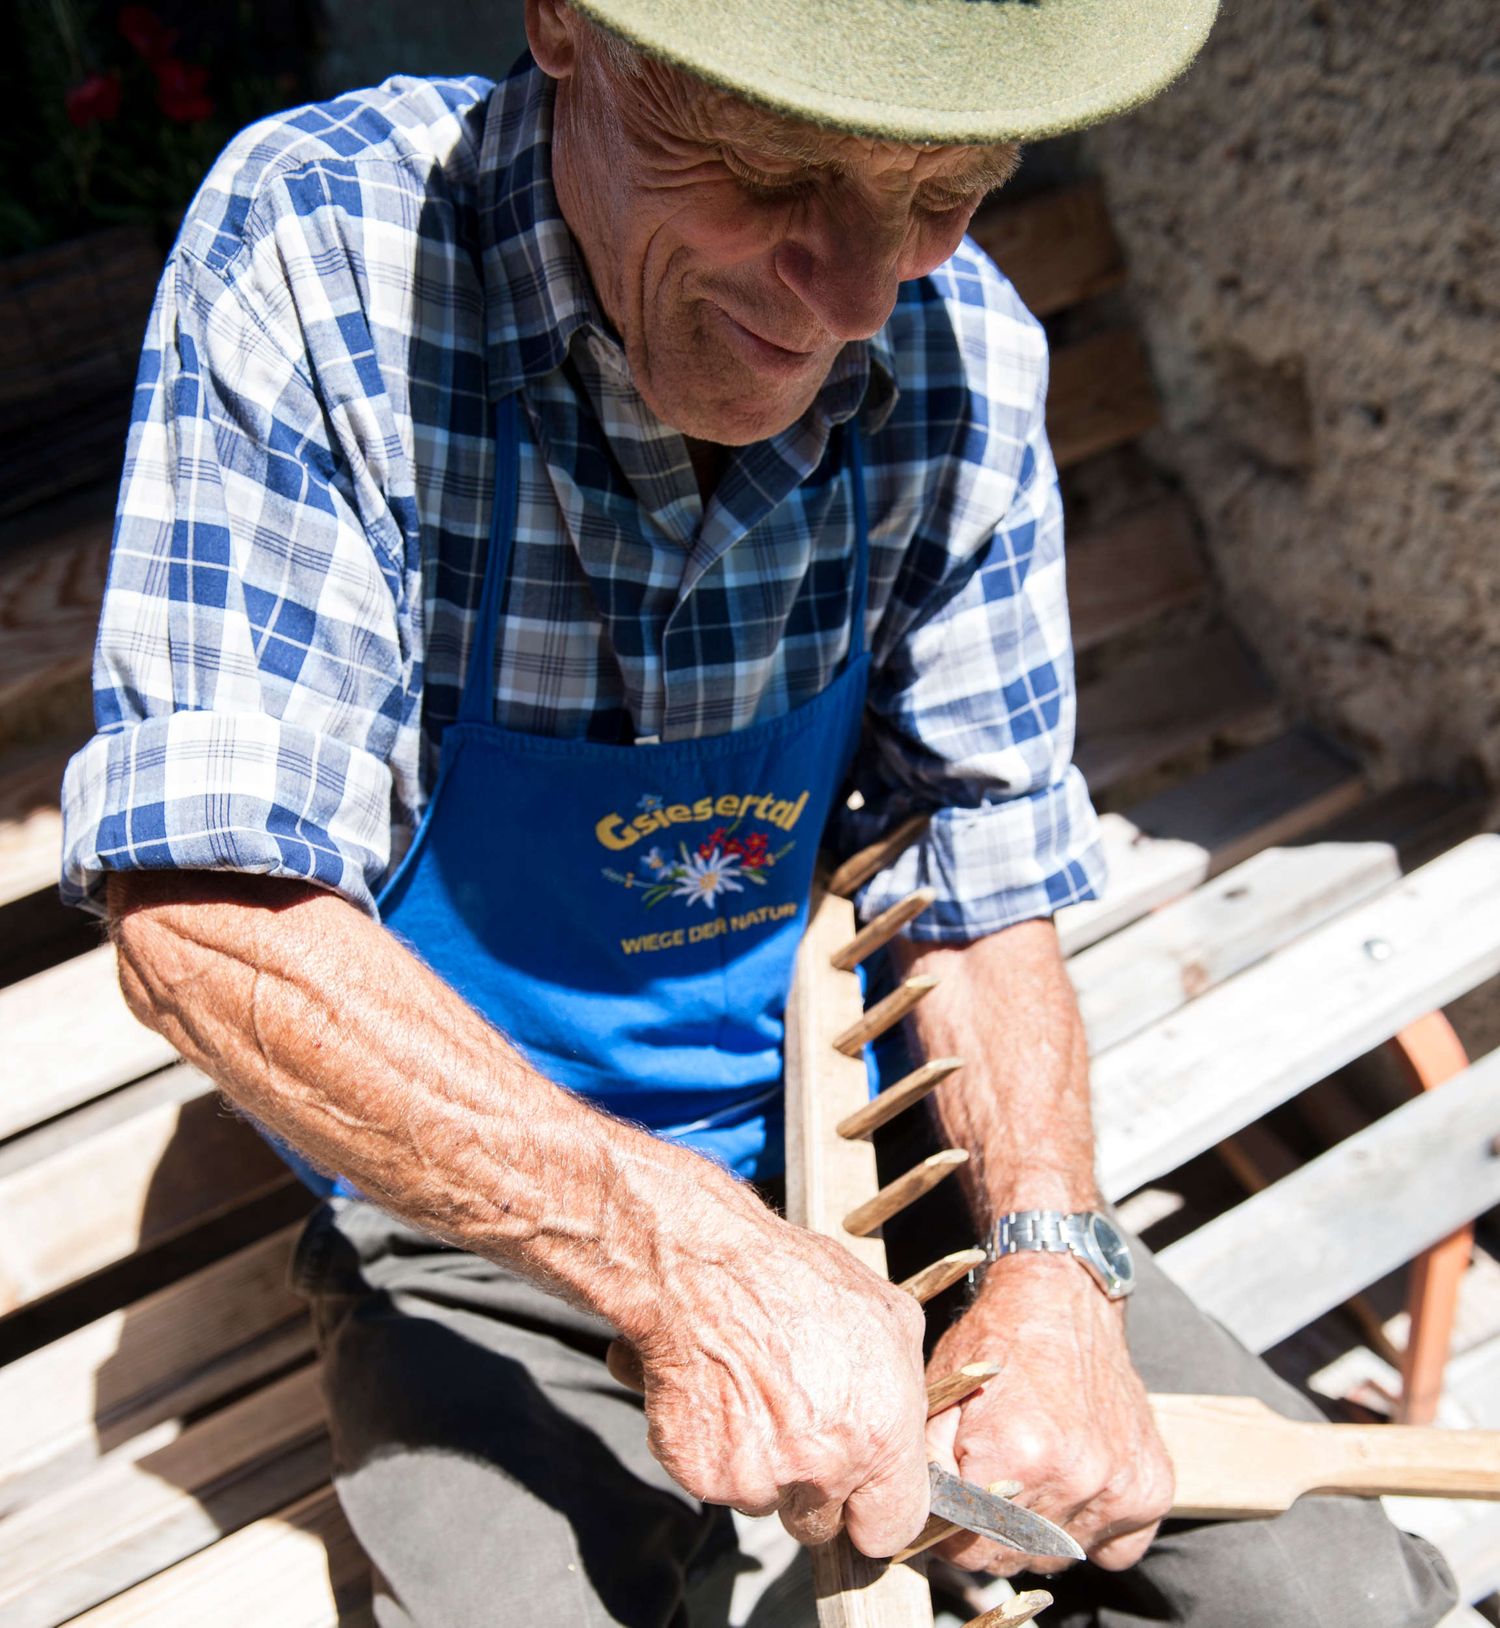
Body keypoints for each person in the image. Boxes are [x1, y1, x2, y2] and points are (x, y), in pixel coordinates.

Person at [62, 2, 1458, 1623]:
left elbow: (981, 867)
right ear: (567, 26)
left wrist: (1056, 1265)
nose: (860, 296)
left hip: (856, 1120)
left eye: (944, 192)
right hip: (482, 1211)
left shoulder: (960, 353)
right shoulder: (332, 253)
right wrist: (685, 1263)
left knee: (1331, 1594)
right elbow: (208, 913)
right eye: (770, 160)